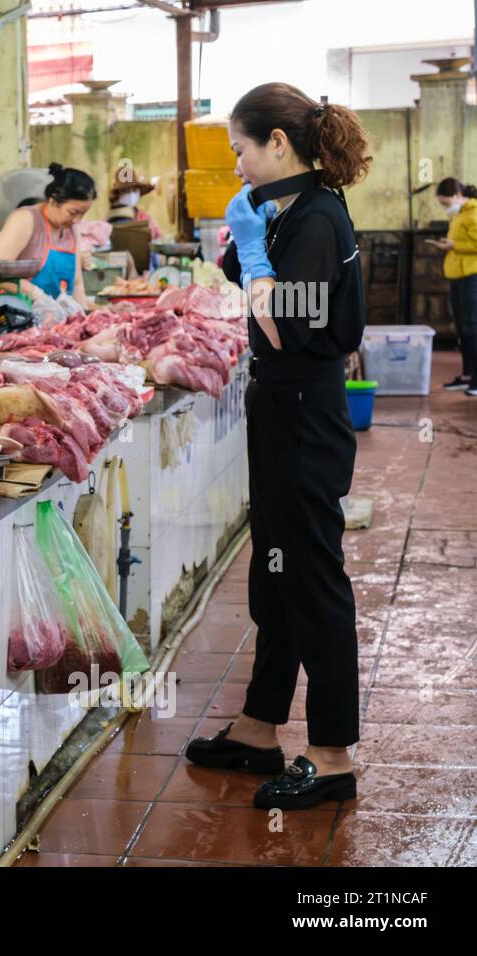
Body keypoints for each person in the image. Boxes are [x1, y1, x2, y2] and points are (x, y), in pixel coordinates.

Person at [186, 84, 371, 811]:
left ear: (278, 145)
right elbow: (242, 279)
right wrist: (248, 238)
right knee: (276, 573)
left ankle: (331, 755)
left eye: (241, 150)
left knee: (314, 581)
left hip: (304, 409)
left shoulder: (318, 217)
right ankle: (259, 728)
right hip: (282, 406)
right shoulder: (287, 210)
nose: (237, 166)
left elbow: (284, 325)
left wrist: (257, 245)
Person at [0, 162, 95, 308]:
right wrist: (37, 295)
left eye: (82, 214)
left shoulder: (72, 230)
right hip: (18, 316)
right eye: (73, 212)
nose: (77, 220)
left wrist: (83, 317)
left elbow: (76, 283)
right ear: (53, 200)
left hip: (56, 323)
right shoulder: (25, 219)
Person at [432, 178, 477, 393]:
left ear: (458, 195)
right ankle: (468, 375)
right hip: (458, 275)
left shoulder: (473, 213)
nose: (445, 207)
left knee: (471, 326)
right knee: (462, 327)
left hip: (472, 275)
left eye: (446, 202)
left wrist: (454, 245)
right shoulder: (459, 215)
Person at [105, 167, 163, 240]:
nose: (131, 194)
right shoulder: (110, 220)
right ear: (118, 194)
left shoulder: (145, 218)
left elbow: (159, 239)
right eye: (126, 191)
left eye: (134, 190)